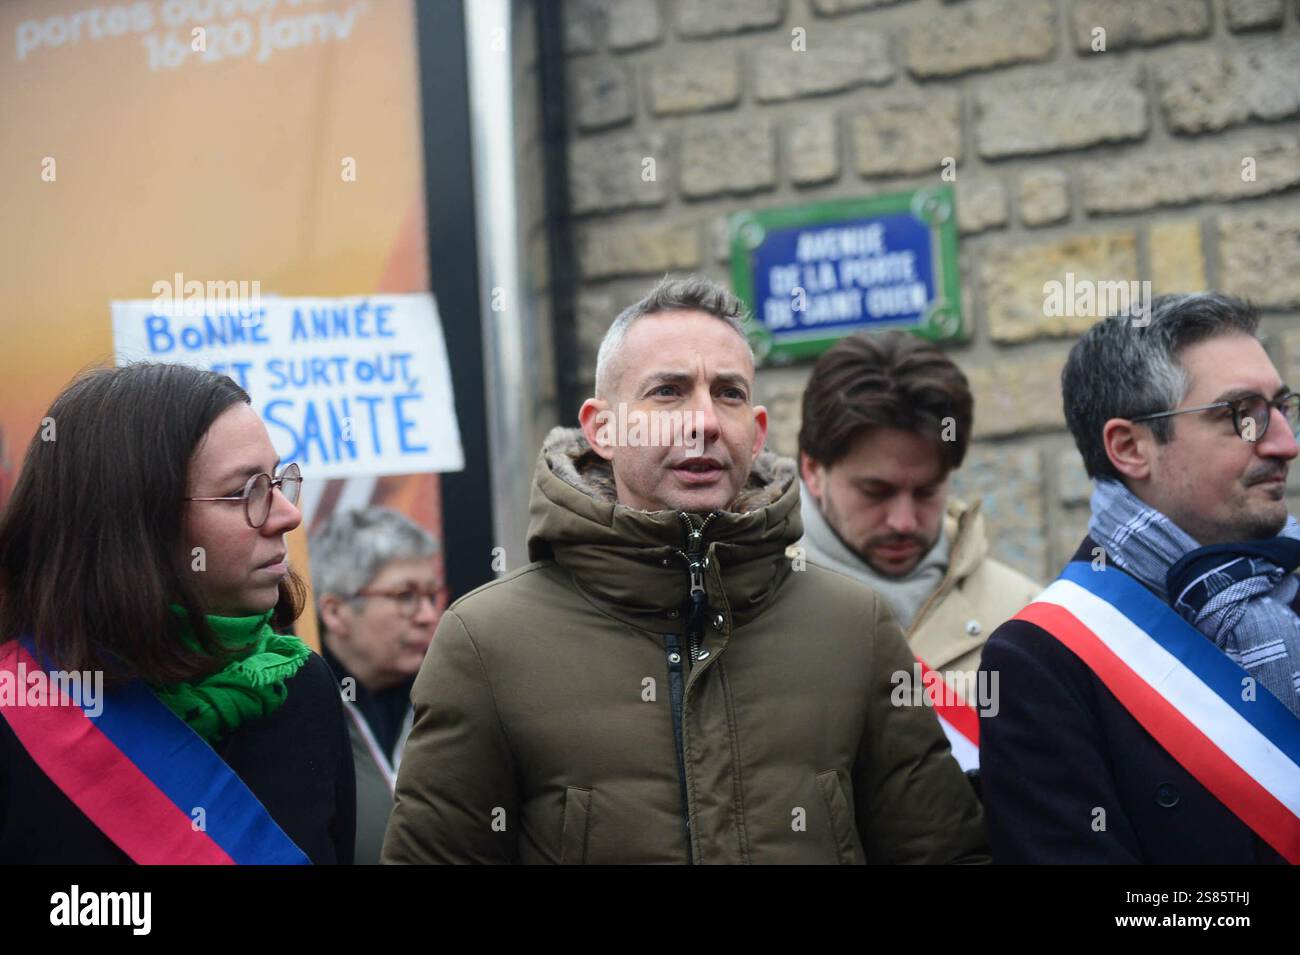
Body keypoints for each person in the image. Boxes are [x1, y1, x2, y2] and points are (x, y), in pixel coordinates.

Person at [383, 275, 988, 864]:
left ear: (755, 433)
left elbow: (939, 850)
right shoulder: (486, 644)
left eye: (728, 393)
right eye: (667, 391)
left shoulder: (854, 626)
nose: (702, 421)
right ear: (602, 430)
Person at [979, 293, 1300, 864]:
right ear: (1130, 447)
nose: (1283, 443)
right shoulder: (1043, 661)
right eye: (1241, 414)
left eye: (1282, 407)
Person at [0, 363, 355, 864]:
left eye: (276, 481)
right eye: (243, 491)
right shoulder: (19, 704)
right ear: (135, 523)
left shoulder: (303, 688)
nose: (287, 514)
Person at [796, 330, 1039, 771]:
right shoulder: (749, 606)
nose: (904, 521)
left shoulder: (1027, 617)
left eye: (927, 491)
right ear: (813, 471)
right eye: (876, 491)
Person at [310, 506, 444, 865]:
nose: (429, 615)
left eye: (431, 595)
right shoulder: (298, 713)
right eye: (405, 596)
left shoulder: (452, 698)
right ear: (336, 612)